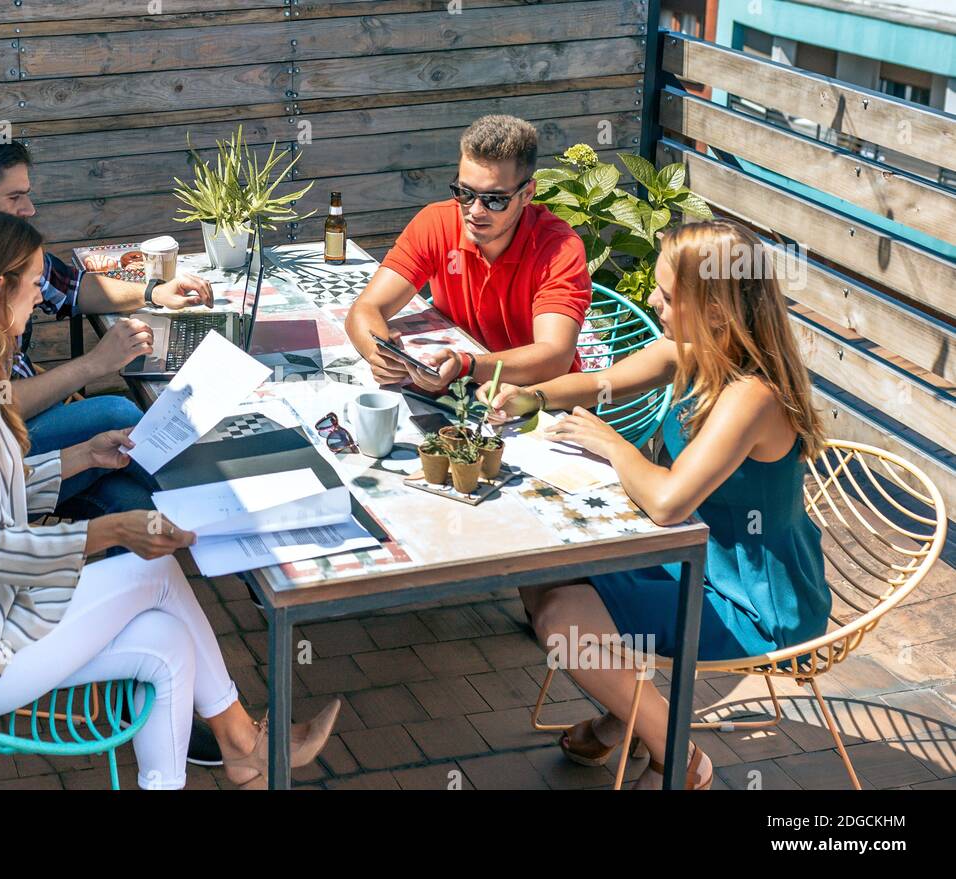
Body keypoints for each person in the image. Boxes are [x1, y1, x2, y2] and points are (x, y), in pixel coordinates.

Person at [0, 208, 340, 789]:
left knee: (166, 646)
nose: (42, 296)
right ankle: (245, 744)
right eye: (35, 282)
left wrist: (83, 456)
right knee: (156, 573)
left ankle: (239, 753)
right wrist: (117, 532)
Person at [477, 219, 830, 789]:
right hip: (689, 557)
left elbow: (667, 502)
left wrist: (611, 442)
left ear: (716, 310)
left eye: (667, 295)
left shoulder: (751, 396)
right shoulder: (691, 353)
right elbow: (599, 385)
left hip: (753, 603)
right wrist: (531, 396)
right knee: (541, 569)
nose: (651, 299)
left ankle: (678, 755)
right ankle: (630, 717)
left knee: (563, 616)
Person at [0, 125, 215, 522]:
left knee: (135, 503)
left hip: (13, 434)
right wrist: (92, 366)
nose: (29, 209)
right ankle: (224, 507)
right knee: (118, 415)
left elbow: (70, 287)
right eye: (15, 197)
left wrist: (152, 291)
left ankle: (213, 518)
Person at [345, 114, 591, 392]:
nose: (474, 211)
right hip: (462, 389)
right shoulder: (436, 221)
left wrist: (468, 365)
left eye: (494, 200)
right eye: (464, 192)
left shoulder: (558, 249)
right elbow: (365, 309)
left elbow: (555, 358)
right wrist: (381, 356)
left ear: (527, 194)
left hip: (541, 400)